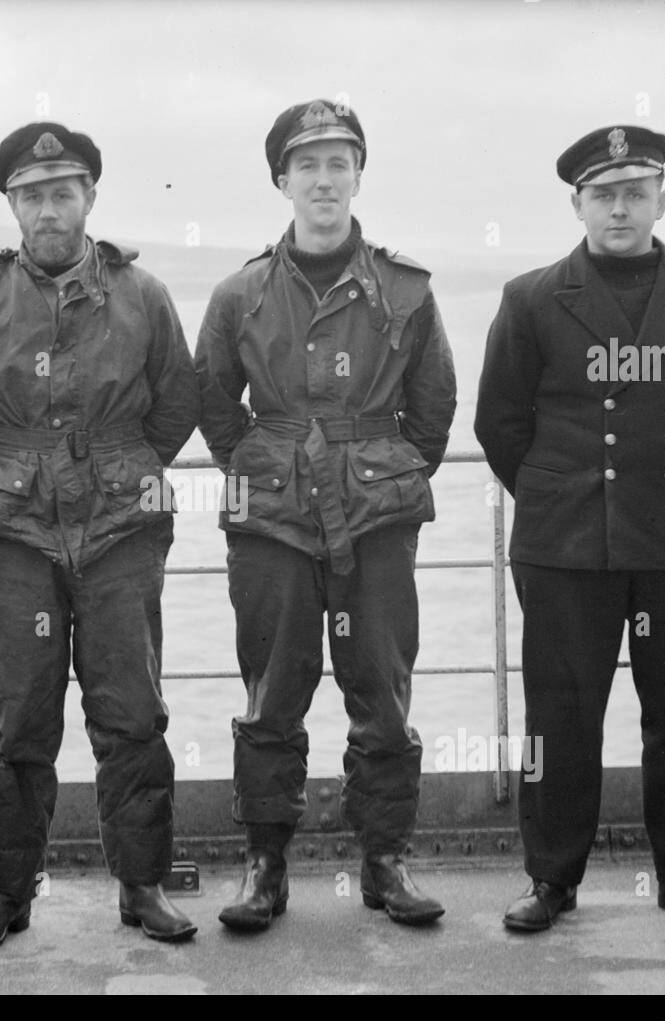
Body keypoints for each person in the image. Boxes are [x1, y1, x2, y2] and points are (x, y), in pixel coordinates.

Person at [474, 125, 665, 931]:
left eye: (636, 192)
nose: (621, 209)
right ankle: (553, 881)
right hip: (566, 542)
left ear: (662, 198)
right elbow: (501, 423)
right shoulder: (531, 298)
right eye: (604, 194)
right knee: (560, 715)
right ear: (578, 204)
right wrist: (562, 492)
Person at [0, 122, 201, 949]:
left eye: (63, 191)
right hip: (17, 538)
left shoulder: (142, 293)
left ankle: (144, 884)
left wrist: (124, 465)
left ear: (89, 197)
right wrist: (14, 475)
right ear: (12, 206)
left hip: (121, 531)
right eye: (32, 196)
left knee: (131, 711)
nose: (49, 209)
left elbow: (178, 401)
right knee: (17, 717)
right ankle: (6, 892)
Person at [194, 100, 457, 932]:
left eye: (338, 162)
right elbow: (210, 404)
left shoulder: (406, 289)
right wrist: (267, 467)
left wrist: (374, 472)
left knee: (380, 685)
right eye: (306, 165)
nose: (323, 179)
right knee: (273, 691)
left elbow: (435, 409)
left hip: (376, 518)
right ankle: (266, 865)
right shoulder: (240, 292)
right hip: (271, 521)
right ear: (281, 180)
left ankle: (385, 859)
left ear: (357, 175)